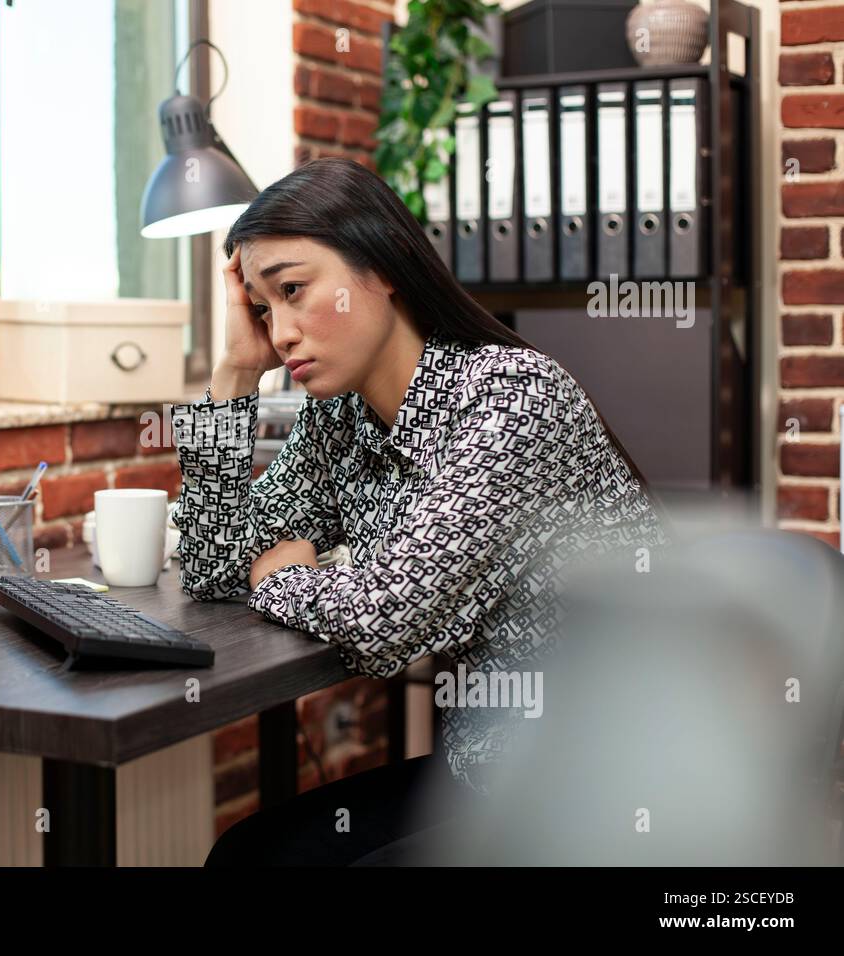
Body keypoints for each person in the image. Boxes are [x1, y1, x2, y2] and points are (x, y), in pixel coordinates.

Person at [168, 157, 674, 866]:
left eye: (292, 290)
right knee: (248, 857)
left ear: (381, 268)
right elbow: (213, 564)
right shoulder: (339, 415)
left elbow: (382, 623)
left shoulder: (511, 397)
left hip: (614, 784)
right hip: (492, 765)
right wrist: (233, 376)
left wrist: (278, 581)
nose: (279, 334)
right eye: (261, 309)